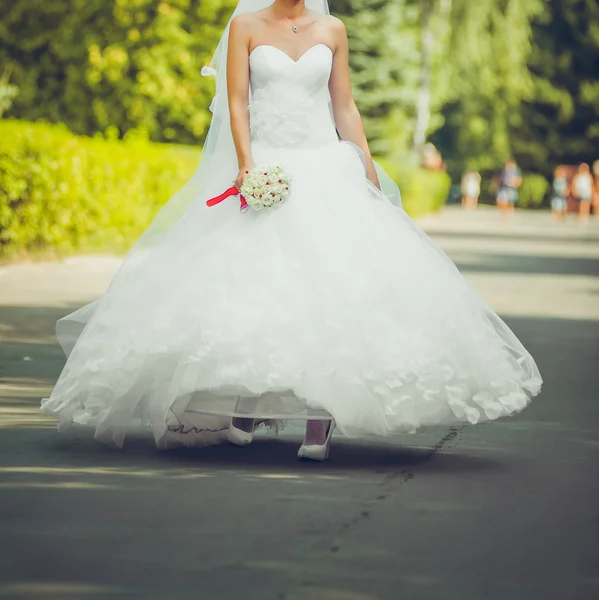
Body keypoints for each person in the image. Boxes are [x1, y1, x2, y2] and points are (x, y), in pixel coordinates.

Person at [41, 0, 542, 461]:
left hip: (326, 167)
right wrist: (246, 165)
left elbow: (344, 105)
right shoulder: (245, 26)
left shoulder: (333, 29)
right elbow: (237, 101)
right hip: (265, 164)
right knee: (252, 287)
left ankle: (318, 425)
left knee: (332, 288)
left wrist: (365, 165)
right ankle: (240, 409)